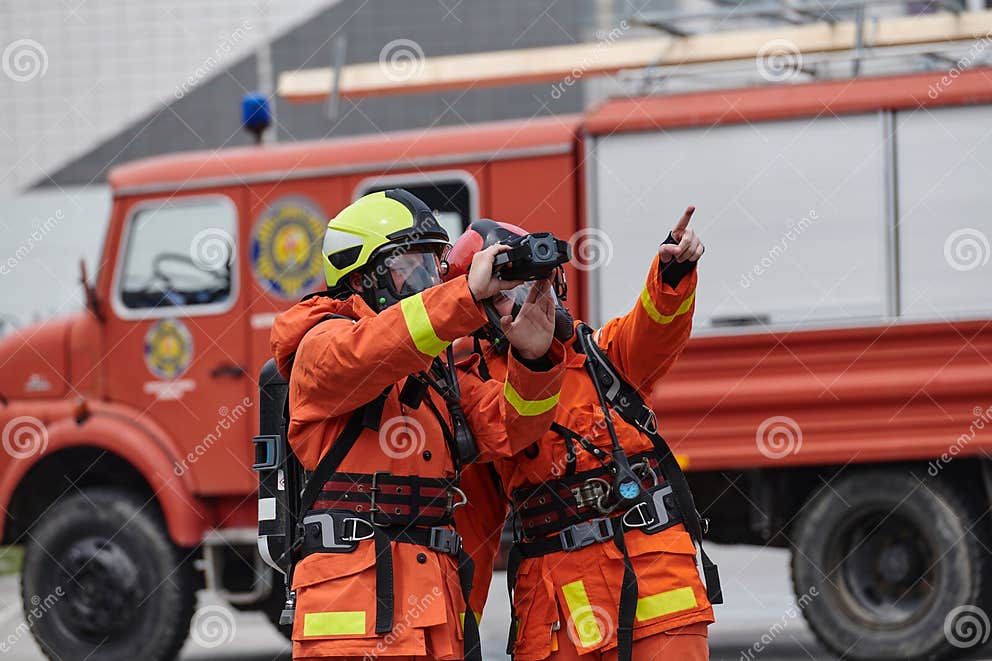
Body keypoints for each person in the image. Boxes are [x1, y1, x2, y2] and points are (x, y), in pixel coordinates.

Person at [270, 189, 566, 660]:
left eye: (431, 265)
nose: (426, 280)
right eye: (409, 266)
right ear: (362, 277)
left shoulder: (432, 372)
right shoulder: (320, 346)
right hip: (353, 614)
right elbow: (372, 351)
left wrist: (533, 358)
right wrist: (463, 297)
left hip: (434, 609)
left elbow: (512, 428)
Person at [447, 209, 719, 661]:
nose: (526, 301)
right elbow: (473, 533)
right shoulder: (474, 397)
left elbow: (656, 329)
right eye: (505, 292)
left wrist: (672, 271)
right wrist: (458, 640)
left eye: (533, 284)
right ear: (479, 313)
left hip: (655, 591)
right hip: (557, 612)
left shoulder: (605, 355)